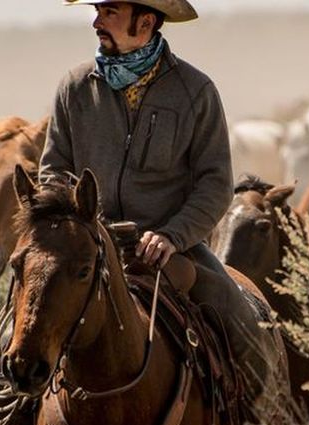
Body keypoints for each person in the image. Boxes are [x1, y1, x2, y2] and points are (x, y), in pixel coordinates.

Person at [40, 0, 277, 401]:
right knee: (20, 330)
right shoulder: (75, 88)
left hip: (170, 250)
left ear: (145, 21)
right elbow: (53, 172)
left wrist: (172, 235)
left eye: (109, 11)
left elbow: (215, 185)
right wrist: (75, 225)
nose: (96, 21)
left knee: (243, 327)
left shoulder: (195, 92)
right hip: (85, 248)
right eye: (97, 10)